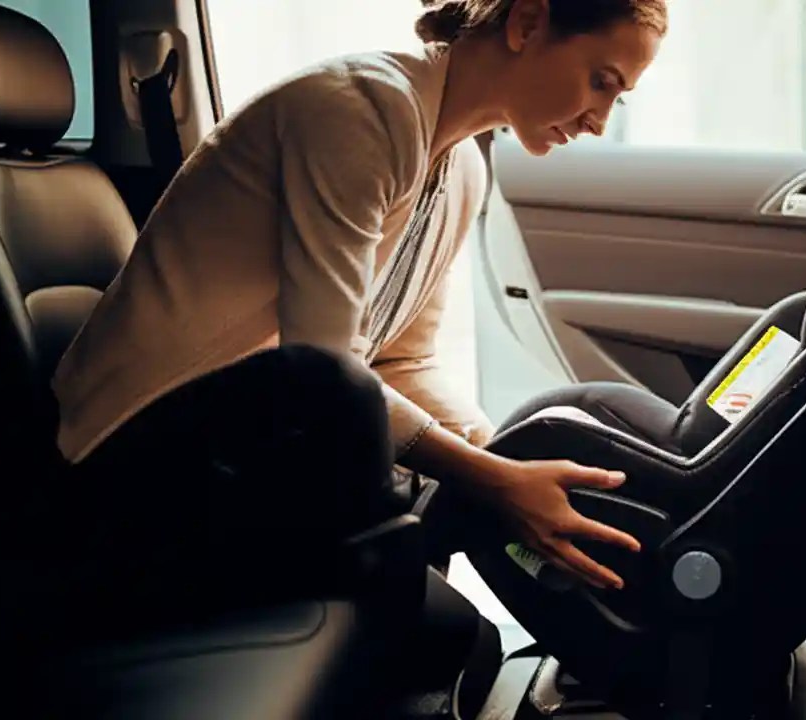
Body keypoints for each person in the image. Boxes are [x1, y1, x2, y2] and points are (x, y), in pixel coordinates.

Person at [51, 0, 668, 595]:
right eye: (601, 81)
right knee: (361, 417)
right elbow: (325, 374)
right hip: (129, 462)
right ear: (528, 22)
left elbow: (404, 362)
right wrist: (496, 479)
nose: (599, 121)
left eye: (617, 97)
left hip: (253, 446)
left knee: (463, 596)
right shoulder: (359, 111)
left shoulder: (462, 171)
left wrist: (507, 459)